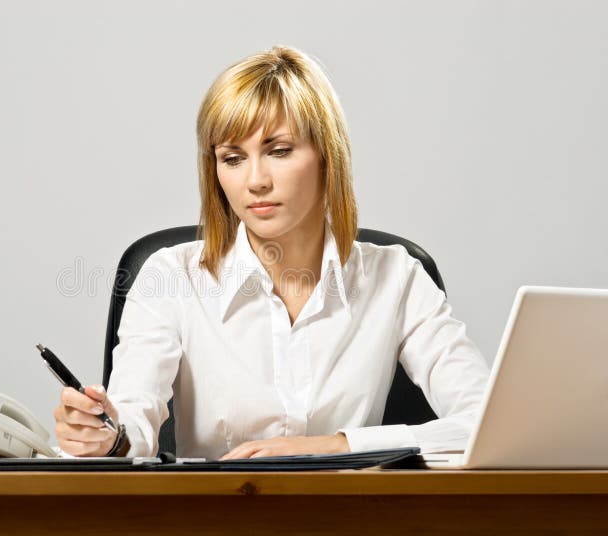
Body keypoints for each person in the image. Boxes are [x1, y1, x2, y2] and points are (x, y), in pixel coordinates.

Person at [52, 45, 491, 460]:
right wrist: (106, 437)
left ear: (327, 156)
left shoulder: (398, 277)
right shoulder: (171, 276)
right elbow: (133, 422)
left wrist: (335, 445)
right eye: (233, 158)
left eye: (279, 151)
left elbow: (487, 424)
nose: (255, 180)